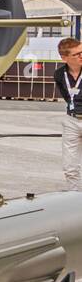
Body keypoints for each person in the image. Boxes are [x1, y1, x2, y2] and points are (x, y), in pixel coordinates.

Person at [55, 37, 82, 191]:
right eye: (77, 54)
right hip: (71, 120)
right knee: (70, 166)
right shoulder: (59, 74)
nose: (81, 56)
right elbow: (67, 96)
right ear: (64, 58)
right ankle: (75, 198)